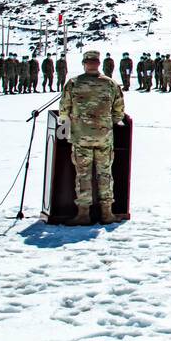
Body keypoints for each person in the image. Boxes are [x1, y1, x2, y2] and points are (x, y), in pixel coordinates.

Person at [59, 49, 126, 225]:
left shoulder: (73, 83)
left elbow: (64, 110)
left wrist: (70, 129)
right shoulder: (111, 84)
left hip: (81, 137)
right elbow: (119, 111)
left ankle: (83, 214)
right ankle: (107, 213)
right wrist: (106, 124)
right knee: (105, 174)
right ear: (98, 64)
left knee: (83, 175)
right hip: (104, 137)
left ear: (85, 63)